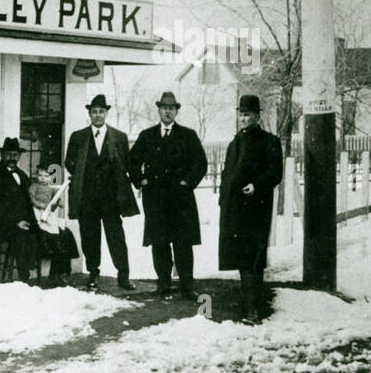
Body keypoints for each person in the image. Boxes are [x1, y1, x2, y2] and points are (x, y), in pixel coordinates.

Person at [128, 91, 208, 300]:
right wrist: (141, 180)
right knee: (159, 242)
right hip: (155, 199)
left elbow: (200, 163)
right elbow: (131, 161)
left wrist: (187, 182)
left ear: (176, 111)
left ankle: (187, 287)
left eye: (171, 108)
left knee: (183, 243)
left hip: (180, 199)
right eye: (164, 108)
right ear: (159, 110)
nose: (168, 112)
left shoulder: (188, 135)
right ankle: (163, 285)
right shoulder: (148, 135)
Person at [218, 94, 283, 323]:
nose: (243, 118)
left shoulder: (269, 142)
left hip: (256, 209)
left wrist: (256, 185)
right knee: (239, 257)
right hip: (234, 209)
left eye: (247, 114)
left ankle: (254, 309)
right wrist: (223, 200)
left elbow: (275, 173)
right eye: (241, 114)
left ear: (257, 116)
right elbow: (227, 173)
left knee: (253, 258)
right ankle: (247, 305)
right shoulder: (235, 142)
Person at [64, 93, 139, 291]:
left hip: (111, 198)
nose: (98, 115)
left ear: (106, 113)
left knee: (116, 237)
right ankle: (93, 274)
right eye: (94, 111)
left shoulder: (119, 137)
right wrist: (84, 175)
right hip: (87, 197)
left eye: (101, 111)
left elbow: (127, 163)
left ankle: (123, 275)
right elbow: (69, 162)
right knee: (90, 237)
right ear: (89, 114)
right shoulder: (78, 136)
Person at [0, 137, 35, 281]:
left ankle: (58, 275)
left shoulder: (22, 175)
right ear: (2, 155)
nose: (12, 158)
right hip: (1, 225)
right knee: (23, 236)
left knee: (62, 233)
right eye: (8, 154)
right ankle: (25, 278)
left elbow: (29, 202)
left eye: (16, 155)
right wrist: (16, 222)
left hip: (24, 222)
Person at [25, 167, 80, 286]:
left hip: (48, 214)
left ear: (50, 178)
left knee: (63, 234)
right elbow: (31, 198)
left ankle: (59, 273)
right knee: (45, 232)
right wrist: (40, 204)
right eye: (40, 176)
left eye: (46, 176)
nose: (43, 178)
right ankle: (48, 247)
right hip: (38, 213)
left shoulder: (50, 188)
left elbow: (56, 197)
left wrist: (59, 203)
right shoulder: (34, 186)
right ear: (36, 176)